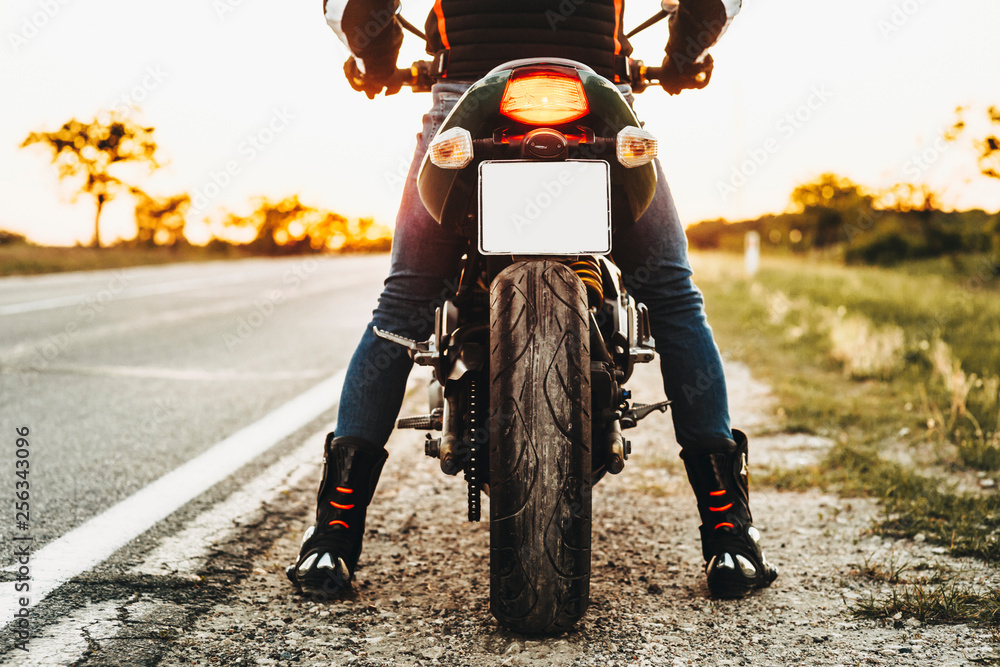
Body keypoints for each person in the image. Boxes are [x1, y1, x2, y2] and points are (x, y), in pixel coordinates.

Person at [287, 0, 777, 601]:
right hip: (595, 101)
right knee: (670, 295)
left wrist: (379, 57)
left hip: (469, 104)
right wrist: (680, 59)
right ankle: (729, 531)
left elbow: (362, 6)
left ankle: (333, 536)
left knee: (406, 300)